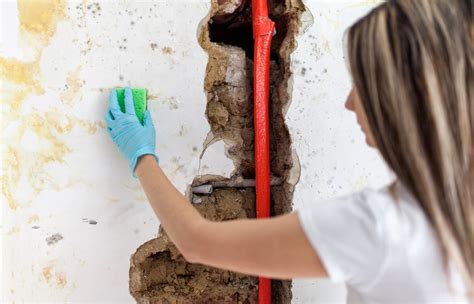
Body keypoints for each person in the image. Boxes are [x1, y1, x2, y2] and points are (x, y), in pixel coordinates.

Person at [105, 0, 472, 302]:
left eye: (361, 86)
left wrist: (142, 156)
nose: (349, 103)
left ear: (400, 99)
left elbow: (197, 242)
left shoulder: (379, 225)